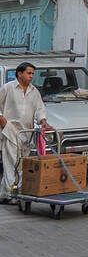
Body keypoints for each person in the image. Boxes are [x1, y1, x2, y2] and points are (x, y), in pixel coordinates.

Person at [0, 63, 49, 202]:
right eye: (29, 73)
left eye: (33, 73)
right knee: (12, 162)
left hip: (26, 133)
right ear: (19, 74)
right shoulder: (8, 88)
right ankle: (14, 195)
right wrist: (2, 119)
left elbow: (40, 110)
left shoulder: (34, 92)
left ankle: (5, 194)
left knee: (21, 164)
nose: (31, 76)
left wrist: (43, 121)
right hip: (10, 130)